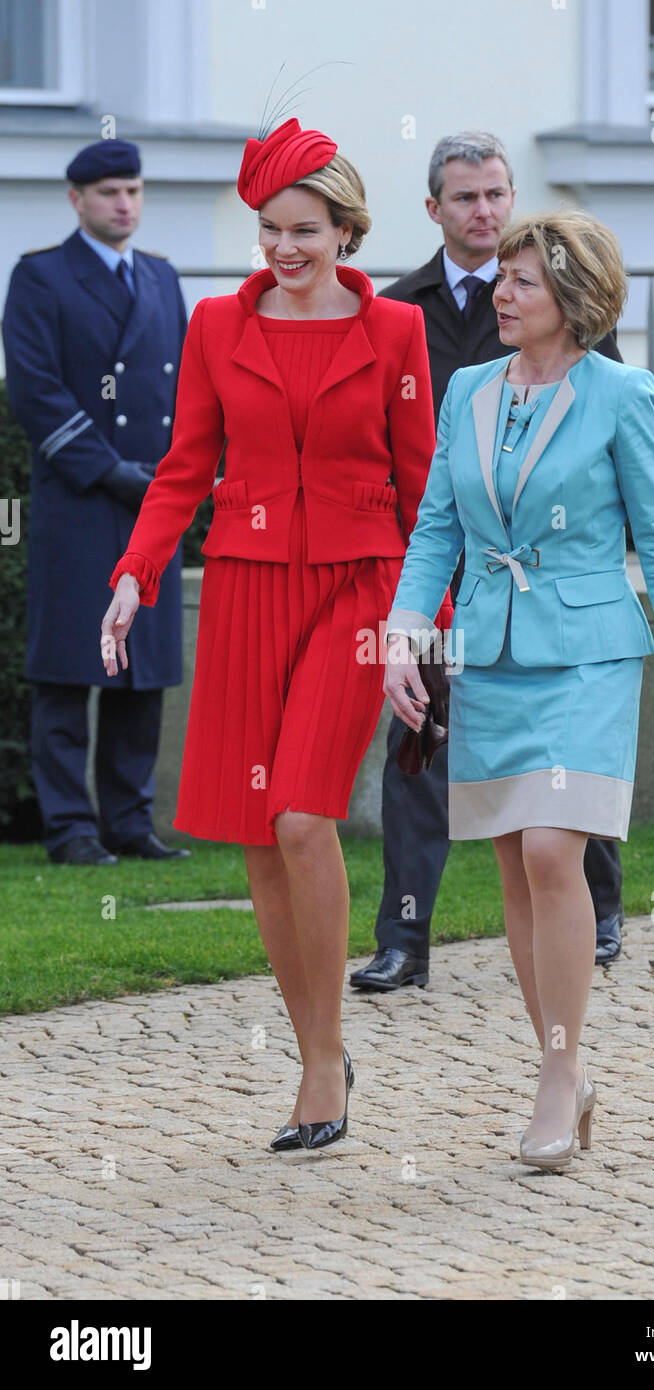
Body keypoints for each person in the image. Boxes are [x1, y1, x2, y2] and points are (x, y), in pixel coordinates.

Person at [100, 117, 451, 1152]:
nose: (284, 250)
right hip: (250, 587)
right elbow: (183, 469)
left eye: (304, 230)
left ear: (345, 229)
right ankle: (317, 1060)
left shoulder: (396, 334)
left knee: (303, 816)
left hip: (359, 589)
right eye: (268, 231)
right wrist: (135, 576)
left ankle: (329, 1050)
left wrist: (423, 625)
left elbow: (425, 485)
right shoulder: (215, 326)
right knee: (257, 838)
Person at [384, 210, 654, 1171]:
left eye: (524, 281)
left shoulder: (623, 394)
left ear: (573, 298)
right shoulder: (468, 391)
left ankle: (557, 1077)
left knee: (548, 847)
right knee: (516, 870)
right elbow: (436, 528)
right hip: (488, 652)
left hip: (590, 654)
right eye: (502, 278)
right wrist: (404, 638)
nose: (501, 292)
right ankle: (560, 1064)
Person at [351, 133, 624, 995]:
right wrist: (407, 596)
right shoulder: (397, 310)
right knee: (418, 747)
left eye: (497, 194)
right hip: (438, 568)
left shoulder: (574, 307)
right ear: (434, 209)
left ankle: (600, 911)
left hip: (544, 587)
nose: (485, 211)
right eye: (466, 198)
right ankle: (403, 937)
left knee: (564, 778)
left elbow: (610, 448)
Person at [2, 138, 190, 866]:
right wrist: (113, 471)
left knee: (140, 669)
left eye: (134, 191)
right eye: (110, 192)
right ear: (76, 199)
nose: (125, 204)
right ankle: (69, 829)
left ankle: (131, 823)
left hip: (153, 502)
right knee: (68, 670)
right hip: (79, 502)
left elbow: (186, 395)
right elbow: (36, 394)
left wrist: (175, 476)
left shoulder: (161, 278)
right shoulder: (41, 277)